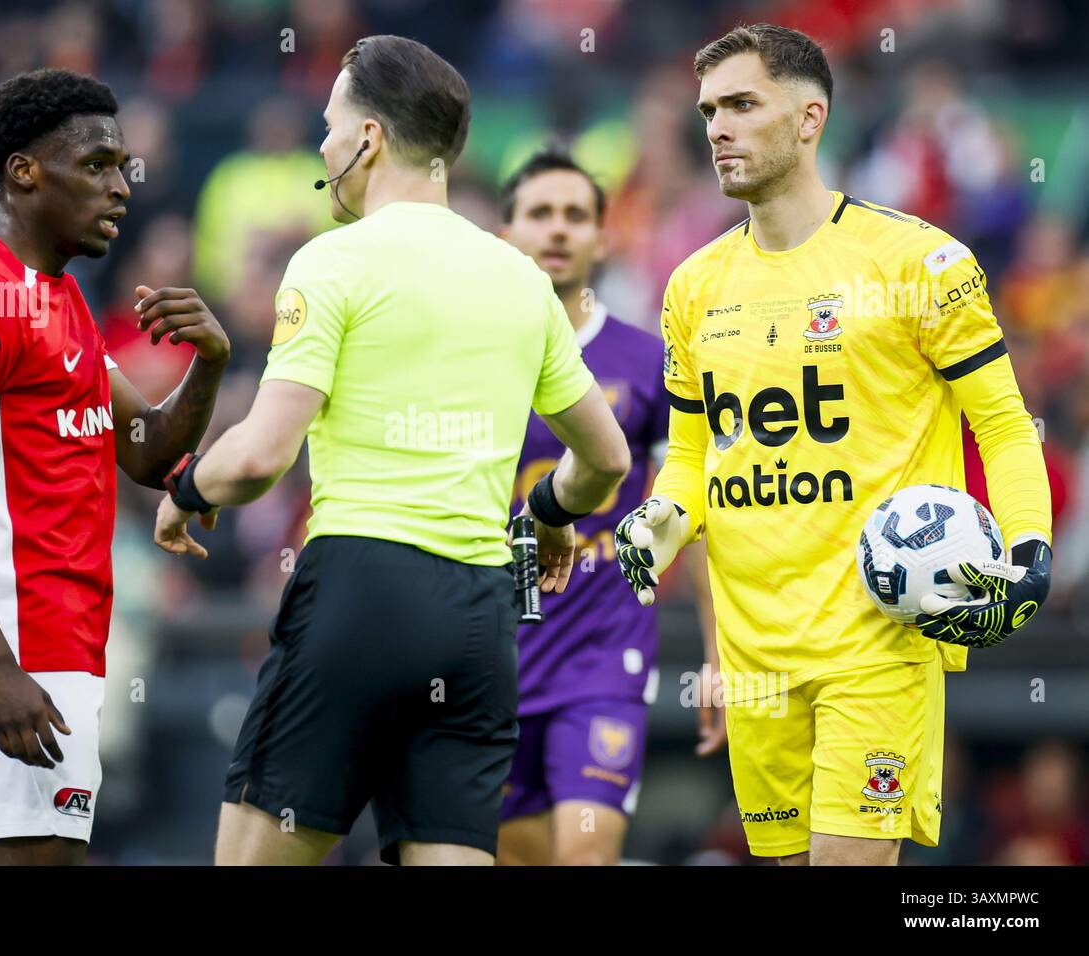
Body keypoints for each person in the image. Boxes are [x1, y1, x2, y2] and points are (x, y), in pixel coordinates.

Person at [151, 35, 631, 866]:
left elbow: (262, 456)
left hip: (359, 595)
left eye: (330, 127)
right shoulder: (519, 277)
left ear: (369, 138)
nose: (324, 145)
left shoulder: (331, 261)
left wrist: (187, 489)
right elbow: (610, 459)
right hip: (479, 619)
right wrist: (549, 515)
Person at [614, 23, 1052, 866]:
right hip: (753, 656)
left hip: (877, 640)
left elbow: (1002, 424)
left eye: (743, 104)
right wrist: (664, 517)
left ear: (811, 118)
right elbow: (695, 453)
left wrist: (1028, 548)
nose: (718, 128)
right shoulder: (692, 287)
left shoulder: (918, 262)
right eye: (710, 110)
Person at [0, 68, 230, 866]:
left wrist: (210, 362)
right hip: (21, 639)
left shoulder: (56, 299)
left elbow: (145, 452)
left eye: (121, 166)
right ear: (24, 172)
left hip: (53, 641)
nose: (121, 186)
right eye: (96, 164)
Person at [494, 148, 722, 866]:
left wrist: (720, 655)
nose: (557, 230)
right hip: (489, 658)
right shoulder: (470, 357)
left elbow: (697, 518)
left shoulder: (647, 361)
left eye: (575, 215)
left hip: (603, 659)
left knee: (585, 857)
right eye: (539, 214)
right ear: (506, 233)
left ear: (603, 236)